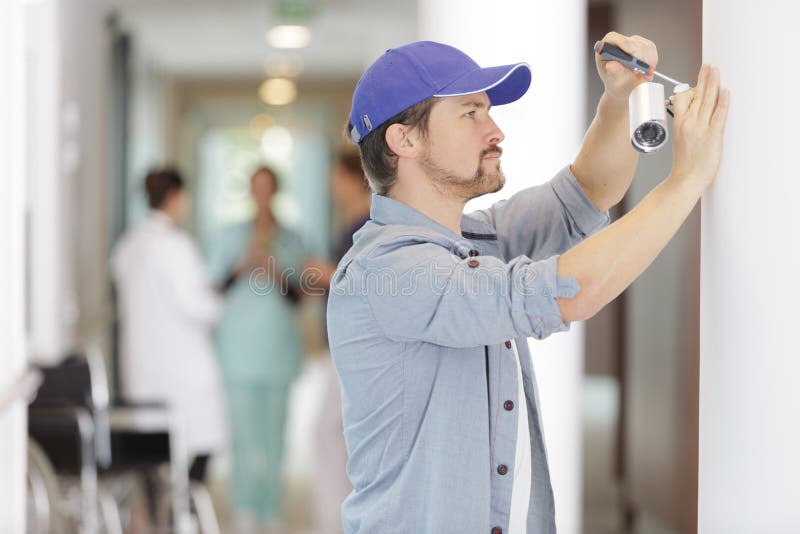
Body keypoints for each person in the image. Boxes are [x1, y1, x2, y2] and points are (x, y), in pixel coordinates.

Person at [326, 36, 729, 533]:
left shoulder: (476, 240)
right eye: (470, 114)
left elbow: (585, 193)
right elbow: (569, 290)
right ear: (403, 140)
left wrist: (618, 98)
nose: (495, 130)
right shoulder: (388, 270)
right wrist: (685, 180)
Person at [111, 168, 227, 493]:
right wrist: (218, 297)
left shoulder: (127, 245)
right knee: (201, 441)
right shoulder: (177, 246)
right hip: (183, 367)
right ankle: (183, 513)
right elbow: (198, 307)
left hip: (142, 364)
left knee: (153, 449)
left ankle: (157, 514)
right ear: (175, 197)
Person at [207, 165, 306, 532]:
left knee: (275, 437)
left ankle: (271, 507)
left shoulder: (292, 239)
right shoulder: (230, 235)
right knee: (243, 437)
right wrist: (241, 265)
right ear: (249, 192)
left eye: (267, 188)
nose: (261, 195)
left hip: (278, 352)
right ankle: (245, 506)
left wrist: (276, 271)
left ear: (276, 191)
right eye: (256, 188)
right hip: (238, 353)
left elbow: (301, 297)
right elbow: (213, 288)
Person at [306, 152, 370, 533]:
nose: (332, 187)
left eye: (336, 178)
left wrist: (328, 273)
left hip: (353, 346)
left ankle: (336, 520)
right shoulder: (349, 225)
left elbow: (364, 280)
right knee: (332, 432)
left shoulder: (367, 226)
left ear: (354, 179)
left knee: (328, 432)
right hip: (341, 342)